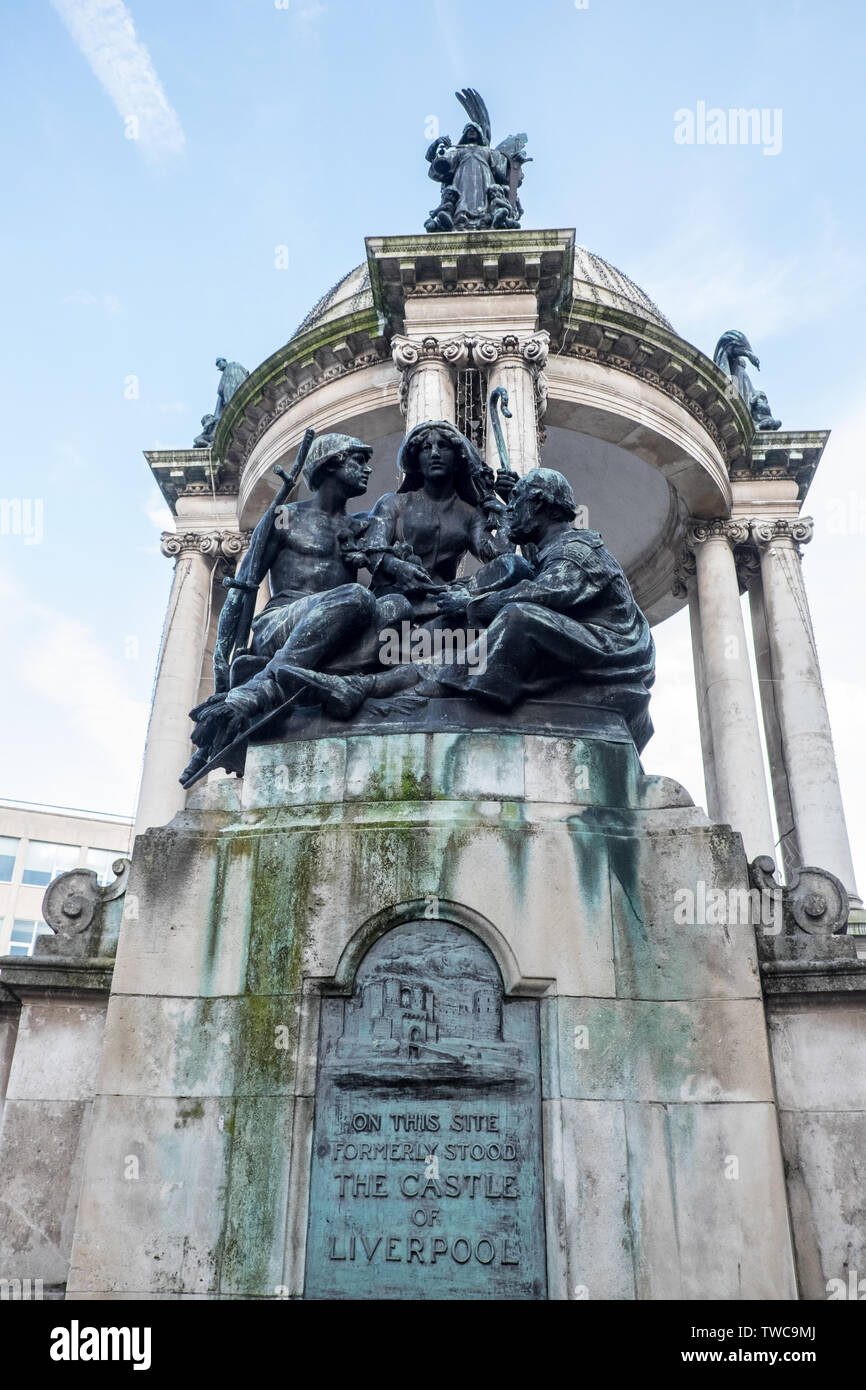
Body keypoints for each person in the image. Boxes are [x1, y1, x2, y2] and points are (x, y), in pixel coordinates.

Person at [180, 434, 411, 782]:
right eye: (358, 461)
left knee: (395, 607)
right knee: (356, 596)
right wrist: (222, 667)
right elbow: (243, 590)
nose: (367, 470)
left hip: (335, 623)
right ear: (330, 463)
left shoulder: (360, 527)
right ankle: (261, 689)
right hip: (280, 622)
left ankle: (302, 685)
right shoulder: (285, 518)